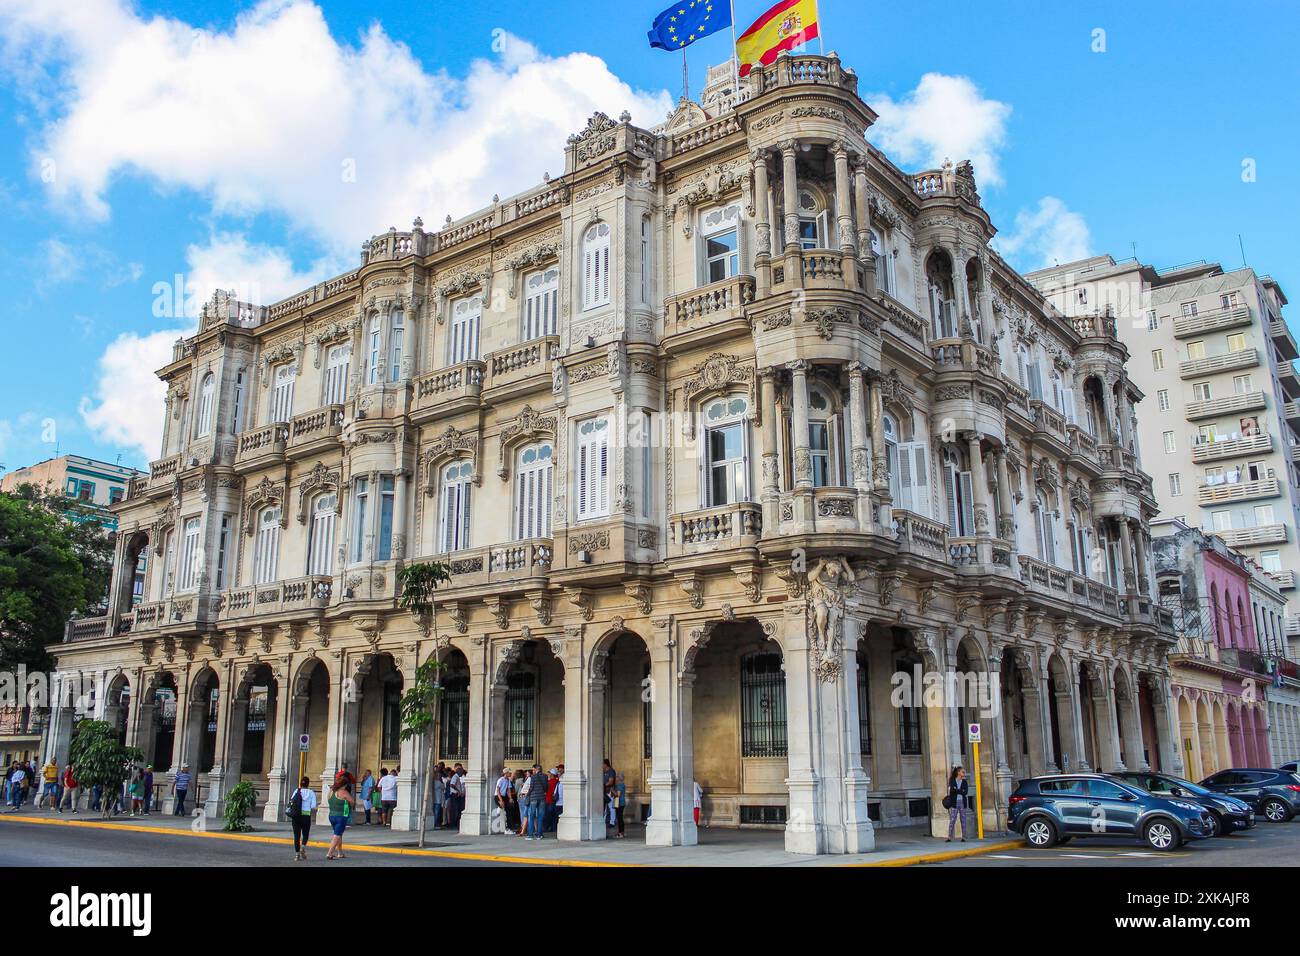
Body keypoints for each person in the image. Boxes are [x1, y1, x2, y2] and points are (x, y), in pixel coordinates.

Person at [289, 775, 317, 861]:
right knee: (305, 834)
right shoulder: (311, 793)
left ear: (300, 783)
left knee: (296, 836)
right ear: (308, 784)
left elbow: (291, 801)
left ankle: (297, 855)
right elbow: (313, 806)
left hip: (296, 816)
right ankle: (303, 846)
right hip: (306, 816)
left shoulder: (296, 791)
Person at [326, 778, 353, 860]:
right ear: (344, 785)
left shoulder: (331, 791)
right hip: (341, 816)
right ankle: (329, 853)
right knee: (337, 835)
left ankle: (340, 853)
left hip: (331, 815)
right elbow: (352, 801)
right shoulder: (344, 792)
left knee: (339, 834)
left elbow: (328, 800)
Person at [945, 766, 969, 843]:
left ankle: (964, 837)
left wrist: (957, 790)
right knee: (952, 820)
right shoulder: (952, 781)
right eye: (963, 772)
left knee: (963, 820)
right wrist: (960, 790)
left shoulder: (965, 782)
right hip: (954, 803)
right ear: (958, 772)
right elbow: (952, 791)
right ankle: (949, 837)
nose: (964, 773)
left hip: (962, 802)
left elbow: (965, 792)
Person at [523, 764, 547, 840]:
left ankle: (530, 835)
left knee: (531, 816)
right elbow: (546, 787)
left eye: (533, 770)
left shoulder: (533, 777)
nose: (532, 771)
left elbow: (531, 787)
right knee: (540, 816)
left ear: (536, 770)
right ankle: (539, 835)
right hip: (542, 798)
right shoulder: (545, 776)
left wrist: (527, 794)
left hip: (533, 798)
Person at [494, 768, 513, 835]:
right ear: (506, 773)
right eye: (509, 773)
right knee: (503, 811)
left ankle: (508, 828)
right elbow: (498, 790)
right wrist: (501, 800)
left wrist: (510, 798)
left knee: (509, 811)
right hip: (498, 796)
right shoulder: (501, 780)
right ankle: (505, 828)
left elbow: (508, 790)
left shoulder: (508, 780)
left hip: (504, 796)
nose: (511, 774)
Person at [612, 772, 627, 838]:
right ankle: (621, 832)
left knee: (620, 818)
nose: (616, 778)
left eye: (617, 777)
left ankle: (621, 833)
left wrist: (612, 790)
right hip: (620, 803)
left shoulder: (620, 785)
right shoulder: (621, 784)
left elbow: (617, 795)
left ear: (619, 778)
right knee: (619, 818)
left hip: (620, 803)